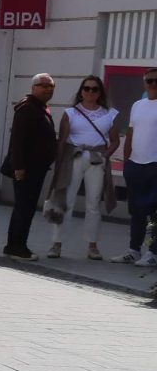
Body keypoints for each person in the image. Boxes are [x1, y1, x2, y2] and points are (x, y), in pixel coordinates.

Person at [44, 75, 120, 261]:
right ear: (81, 91)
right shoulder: (71, 113)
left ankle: (92, 246)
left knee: (93, 204)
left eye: (95, 89)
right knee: (65, 201)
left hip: (96, 159)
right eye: (86, 88)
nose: (90, 92)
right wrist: (58, 163)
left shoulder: (109, 114)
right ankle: (57, 244)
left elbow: (115, 140)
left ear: (100, 92)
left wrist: (105, 155)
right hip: (73, 158)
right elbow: (62, 140)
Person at [2, 74, 57, 261]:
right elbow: (17, 140)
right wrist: (18, 167)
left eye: (51, 86)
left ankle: (14, 245)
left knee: (25, 208)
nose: (48, 89)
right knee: (24, 208)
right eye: (43, 85)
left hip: (36, 168)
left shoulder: (40, 107)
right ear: (33, 87)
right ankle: (17, 247)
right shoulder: (27, 108)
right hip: (26, 168)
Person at [119, 68, 157, 266]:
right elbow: (130, 134)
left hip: (154, 165)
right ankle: (134, 250)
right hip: (135, 165)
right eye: (149, 81)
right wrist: (127, 162)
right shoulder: (137, 105)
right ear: (144, 83)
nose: (152, 84)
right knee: (136, 211)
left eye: (156, 81)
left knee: (154, 212)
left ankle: (153, 253)